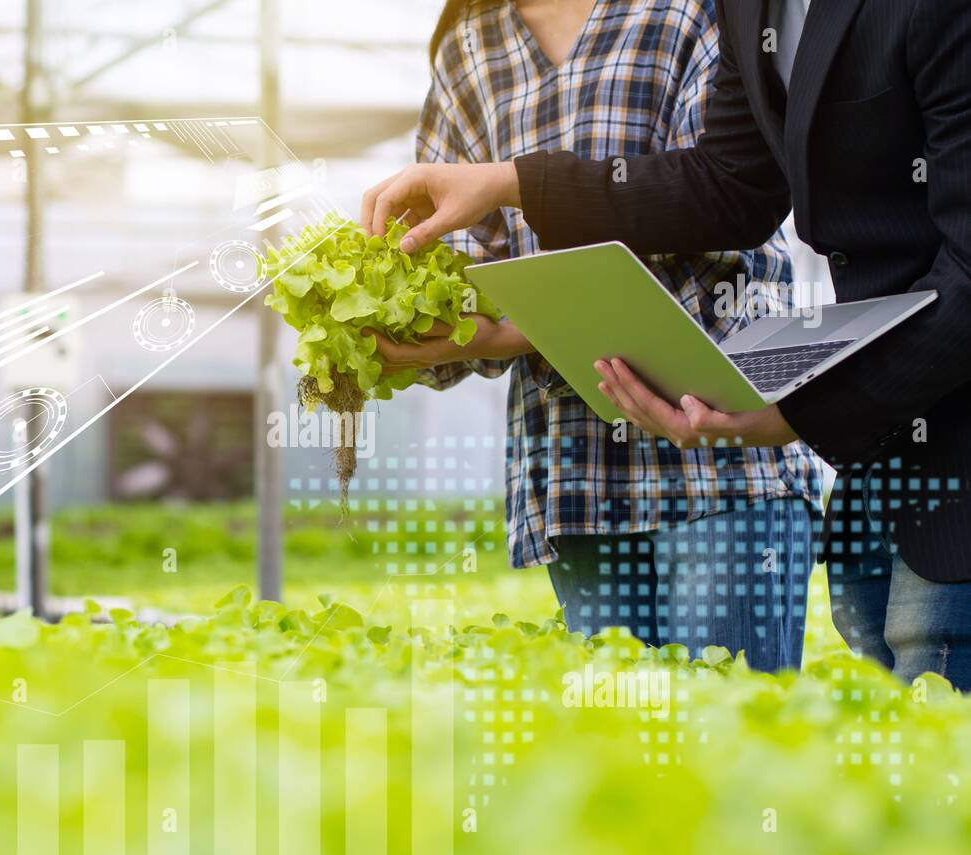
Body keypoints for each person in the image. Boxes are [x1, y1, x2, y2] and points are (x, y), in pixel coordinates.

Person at [362, 0, 971, 689]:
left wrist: (802, 411)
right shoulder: (473, 50)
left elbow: (731, 204)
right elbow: (730, 187)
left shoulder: (692, 11)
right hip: (591, 471)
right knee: (647, 767)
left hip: (753, 451)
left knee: (834, 736)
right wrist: (477, 251)